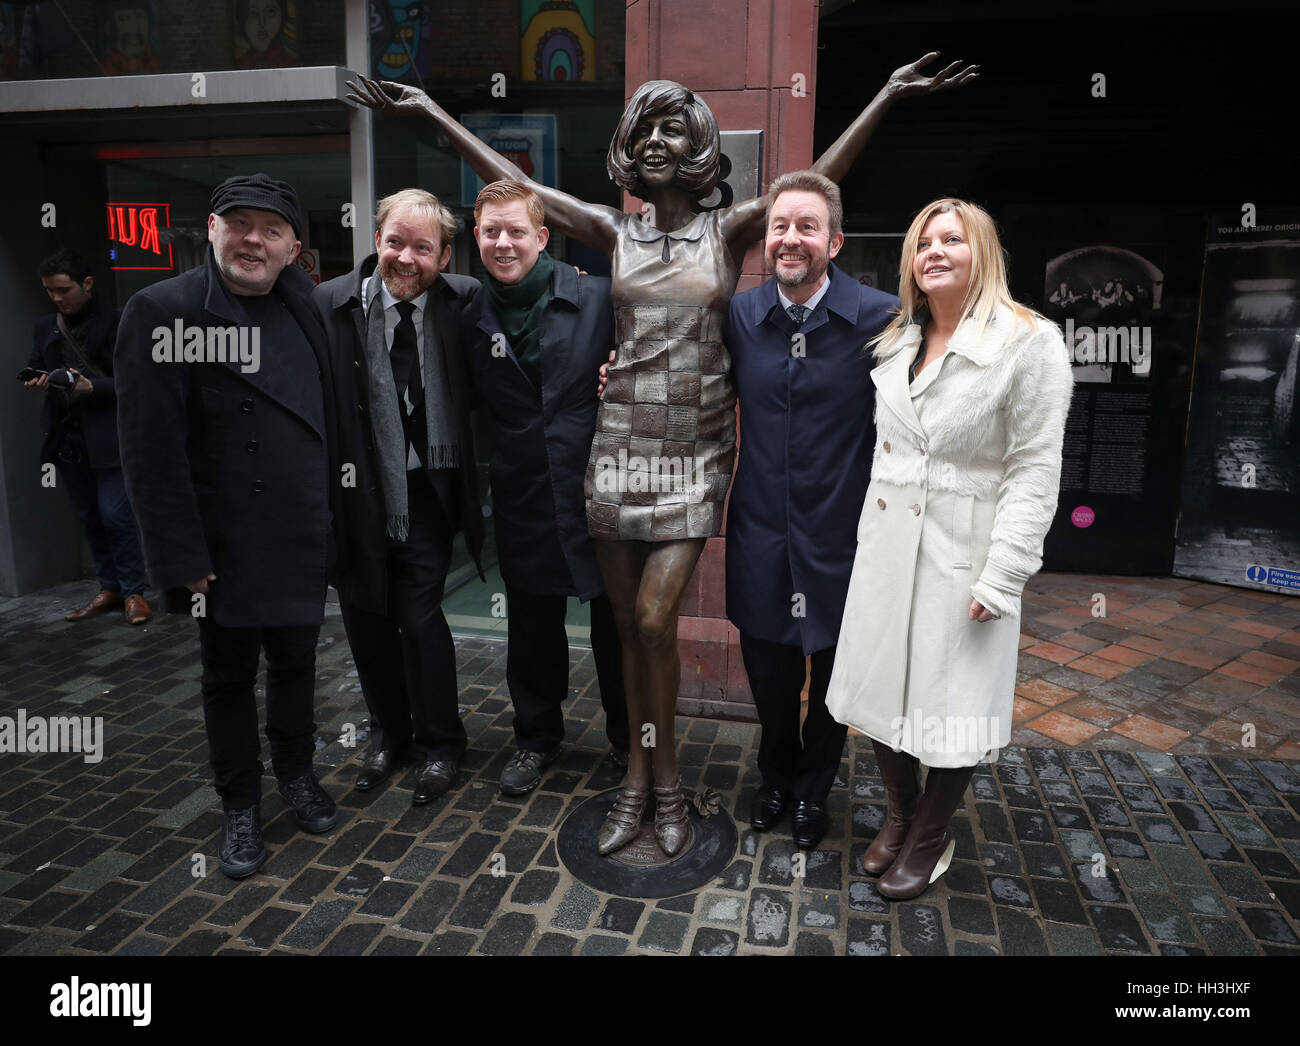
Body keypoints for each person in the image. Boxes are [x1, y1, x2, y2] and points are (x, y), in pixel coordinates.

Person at [348, 51, 976, 858]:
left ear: (699, 146)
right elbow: (517, 186)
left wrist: (885, 93)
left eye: (672, 127)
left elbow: (812, 183)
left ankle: (670, 786)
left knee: (653, 618)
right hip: (618, 447)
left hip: (693, 452)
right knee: (627, 626)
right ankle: (637, 784)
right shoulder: (615, 231)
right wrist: (431, 112)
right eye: (642, 127)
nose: (653, 139)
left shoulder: (732, 229)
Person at [825, 198, 1073, 899]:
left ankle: (931, 833)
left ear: (983, 254)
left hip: (965, 548)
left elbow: (1034, 467)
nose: (933, 251)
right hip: (885, 544)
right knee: (881, 689)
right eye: (922, 242)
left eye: (952, 241)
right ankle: (900, 812)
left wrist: (1004, 575)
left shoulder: (1028, 342)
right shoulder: (898, 338)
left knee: (953, 703)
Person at [116, 173, 342, 878]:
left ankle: (298, 774)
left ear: (293, 247)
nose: (254, 239)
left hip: (301, 528)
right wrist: (180, 553)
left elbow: (332, 418)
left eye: (271, 229)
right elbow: (149, 452)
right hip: (224, 543)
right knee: (228, 677)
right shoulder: (161, 311)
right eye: (238, 223)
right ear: (210, 230)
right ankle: (240, 803)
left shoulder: (307, 303)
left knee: (300, 665)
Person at [724, 172, 897, 850]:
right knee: (769, 676)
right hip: (762, 533)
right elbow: (687, 376)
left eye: (806, 227)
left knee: (832, 682)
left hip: (841, 539)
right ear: (765, 243)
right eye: (779, 228)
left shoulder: (881, 319)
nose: (790, 239)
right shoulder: (740, 315)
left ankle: (814, 787)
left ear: (835, 240)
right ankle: (774, 776)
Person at [459, 179, 630, 796]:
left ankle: (626, 741)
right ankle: (535, 737)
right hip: (524, 489)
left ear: (543, 236)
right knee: (531, 626)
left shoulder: (598, 297)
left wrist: (621, 372)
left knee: (617, 624)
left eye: (516, 231)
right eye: (490, 232)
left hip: (601, 486)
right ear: (476, 238)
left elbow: (650, 361)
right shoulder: (468, 312)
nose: (504, 243)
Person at [314, 188, 483, 805]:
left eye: (423, 247)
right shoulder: (330, 305)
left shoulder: (463, 302)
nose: (406, 258)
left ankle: (442, 745)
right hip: (356, 495)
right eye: (395, 242)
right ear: (376, 241)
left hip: (428, 494)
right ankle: (390, 736)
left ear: (444, 255)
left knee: (419, 617)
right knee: (366, 621)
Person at [25, 248, 152, 626]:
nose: (57, 298)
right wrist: (38, 379)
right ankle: (109, 587)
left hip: (110, 435)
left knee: (116, 515)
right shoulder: (45, 326)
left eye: (64, 289)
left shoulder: (117, 323)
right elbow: (37, 363)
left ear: (88, 284)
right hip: (68, 437)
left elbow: (135, 383)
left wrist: (89, 388)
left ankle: (134, 590)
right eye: (50, 291)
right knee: (89, 516)